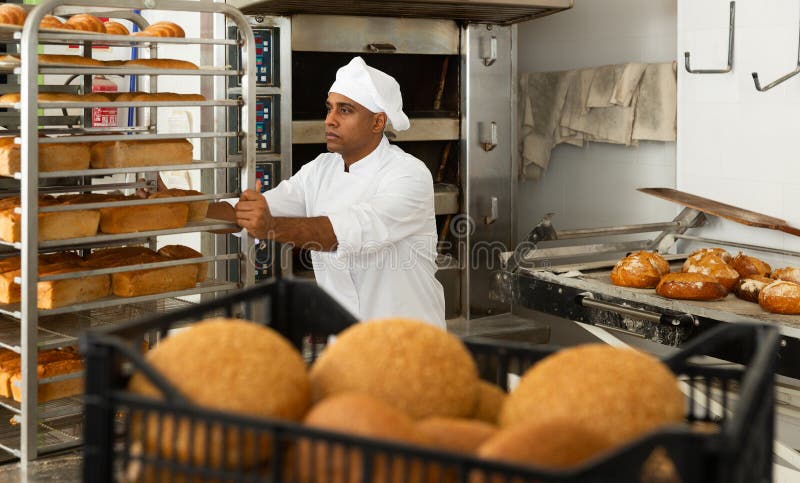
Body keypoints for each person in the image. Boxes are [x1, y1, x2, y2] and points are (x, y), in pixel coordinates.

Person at [210, 57, 445, 329]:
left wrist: (269, 226)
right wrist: (176, 206)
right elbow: (244, 213)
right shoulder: (320, 169)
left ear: (377, 122)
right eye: (329, 108)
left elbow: (344, 233)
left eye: (345, 111)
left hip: (411, 348)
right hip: (346, 345)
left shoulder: (408, 174)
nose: (330, 120)